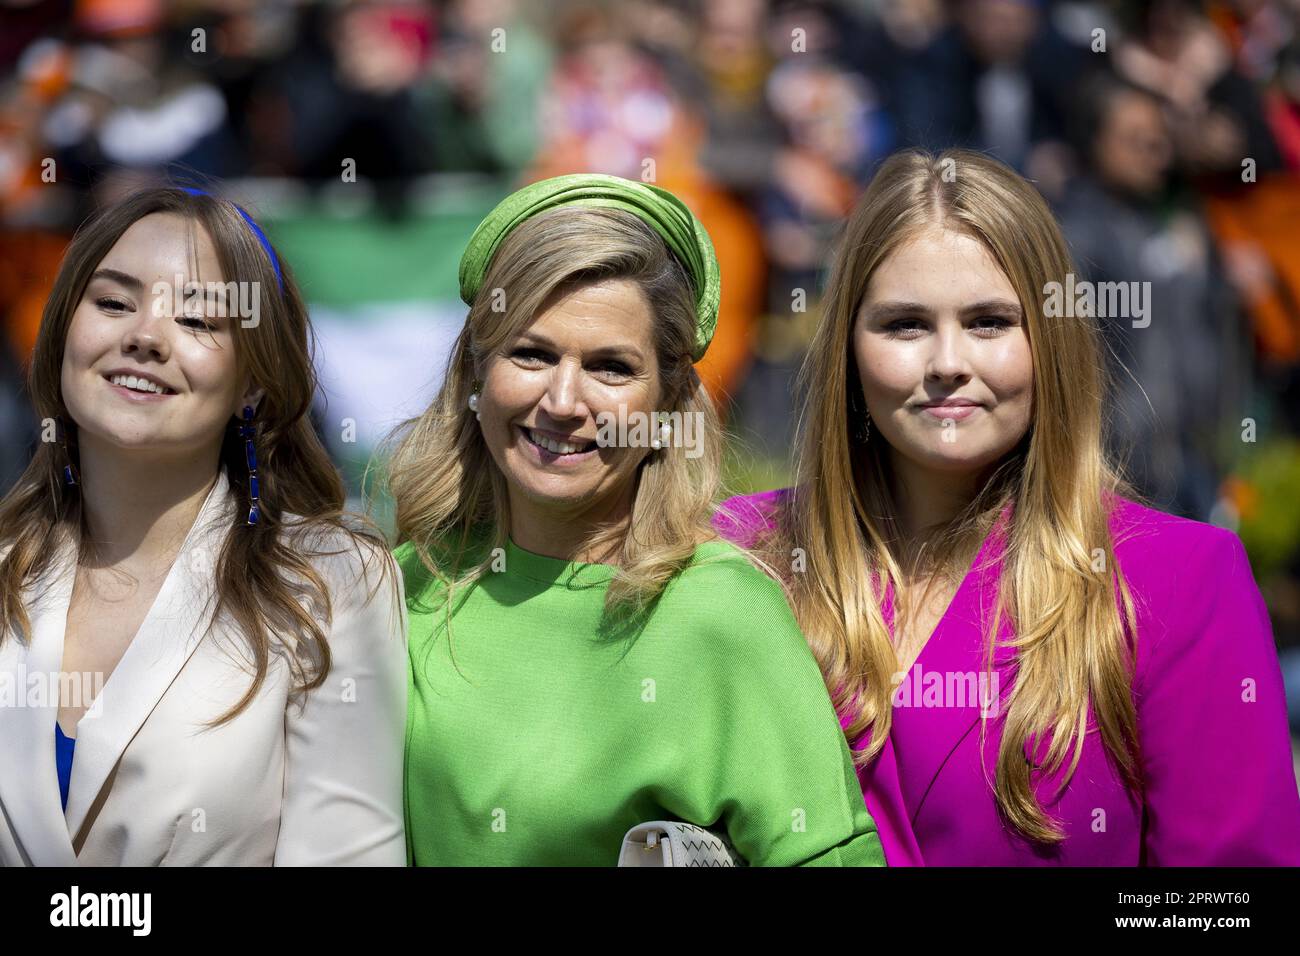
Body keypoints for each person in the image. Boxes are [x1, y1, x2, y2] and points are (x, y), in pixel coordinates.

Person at [716, 148, 1300, 865]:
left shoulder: (1180, 579)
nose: (948, 362)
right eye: (904, 324)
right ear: (847, 347)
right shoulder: (745, 555)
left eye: (991, 321)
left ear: (1049, 342)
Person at [389, 173, 884, 866]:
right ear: (475, 371)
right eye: (531, 354)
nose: (563, 400)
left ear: (669, 403)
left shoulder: (719, 609)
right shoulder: (402, 588)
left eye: (611, 368)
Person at [0, 186, 407, 865]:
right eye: (112, 302)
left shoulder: (330, 582)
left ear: (254, 382)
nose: (145, 337)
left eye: (198, 320)